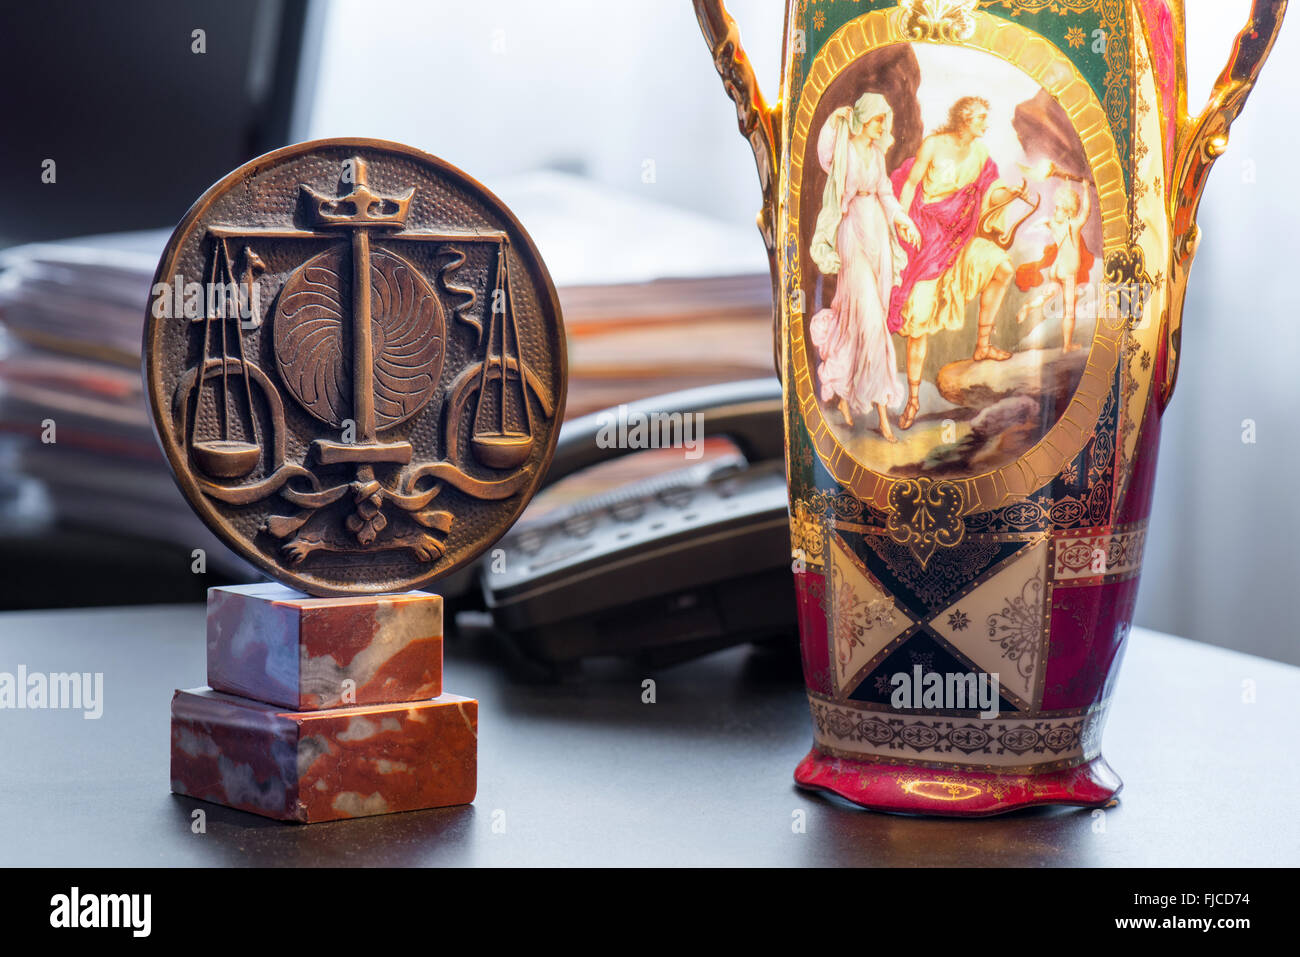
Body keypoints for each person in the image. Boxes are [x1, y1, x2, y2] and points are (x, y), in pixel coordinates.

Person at [888, 96, 1022, 430]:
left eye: (985, 118)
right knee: (917, 323)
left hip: (960, 238)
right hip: (926, 240)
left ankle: (983, 346)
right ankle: (914, 399)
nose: (985, 124)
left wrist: (1011, 192)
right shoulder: (933, 145)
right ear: (963, 119)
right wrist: (903, 225)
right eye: (980, 118)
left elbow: (989, 193)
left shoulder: (980, 154)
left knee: (1002, 267)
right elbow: (910, 184)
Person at [808, 92, 920, 442]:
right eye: (877, 122)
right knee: (869, 321)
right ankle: (882, 412)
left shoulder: (874, 153)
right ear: (863, 120)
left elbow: (885, 192)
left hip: (878, 234)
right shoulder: (843, 150)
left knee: (867, 323)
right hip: (852, 232)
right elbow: (824, 155)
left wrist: (903, 220)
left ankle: (845, 394)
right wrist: (833, 121)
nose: (882, 128)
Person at [1015, 181, 1094, 351]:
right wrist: (1086, 189)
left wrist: (1040, 224)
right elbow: (1086, 211)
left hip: (1056, 270)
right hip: (1068, 272)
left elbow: (1038, 224)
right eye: (1056, 207)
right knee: (1069, 310)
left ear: (1067, 210)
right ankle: (1067, 345)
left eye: (1057, 208)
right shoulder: (1073, 225)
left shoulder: (1053, 223)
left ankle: (1028, 306)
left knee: (1047, 295)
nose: (1055, 210)